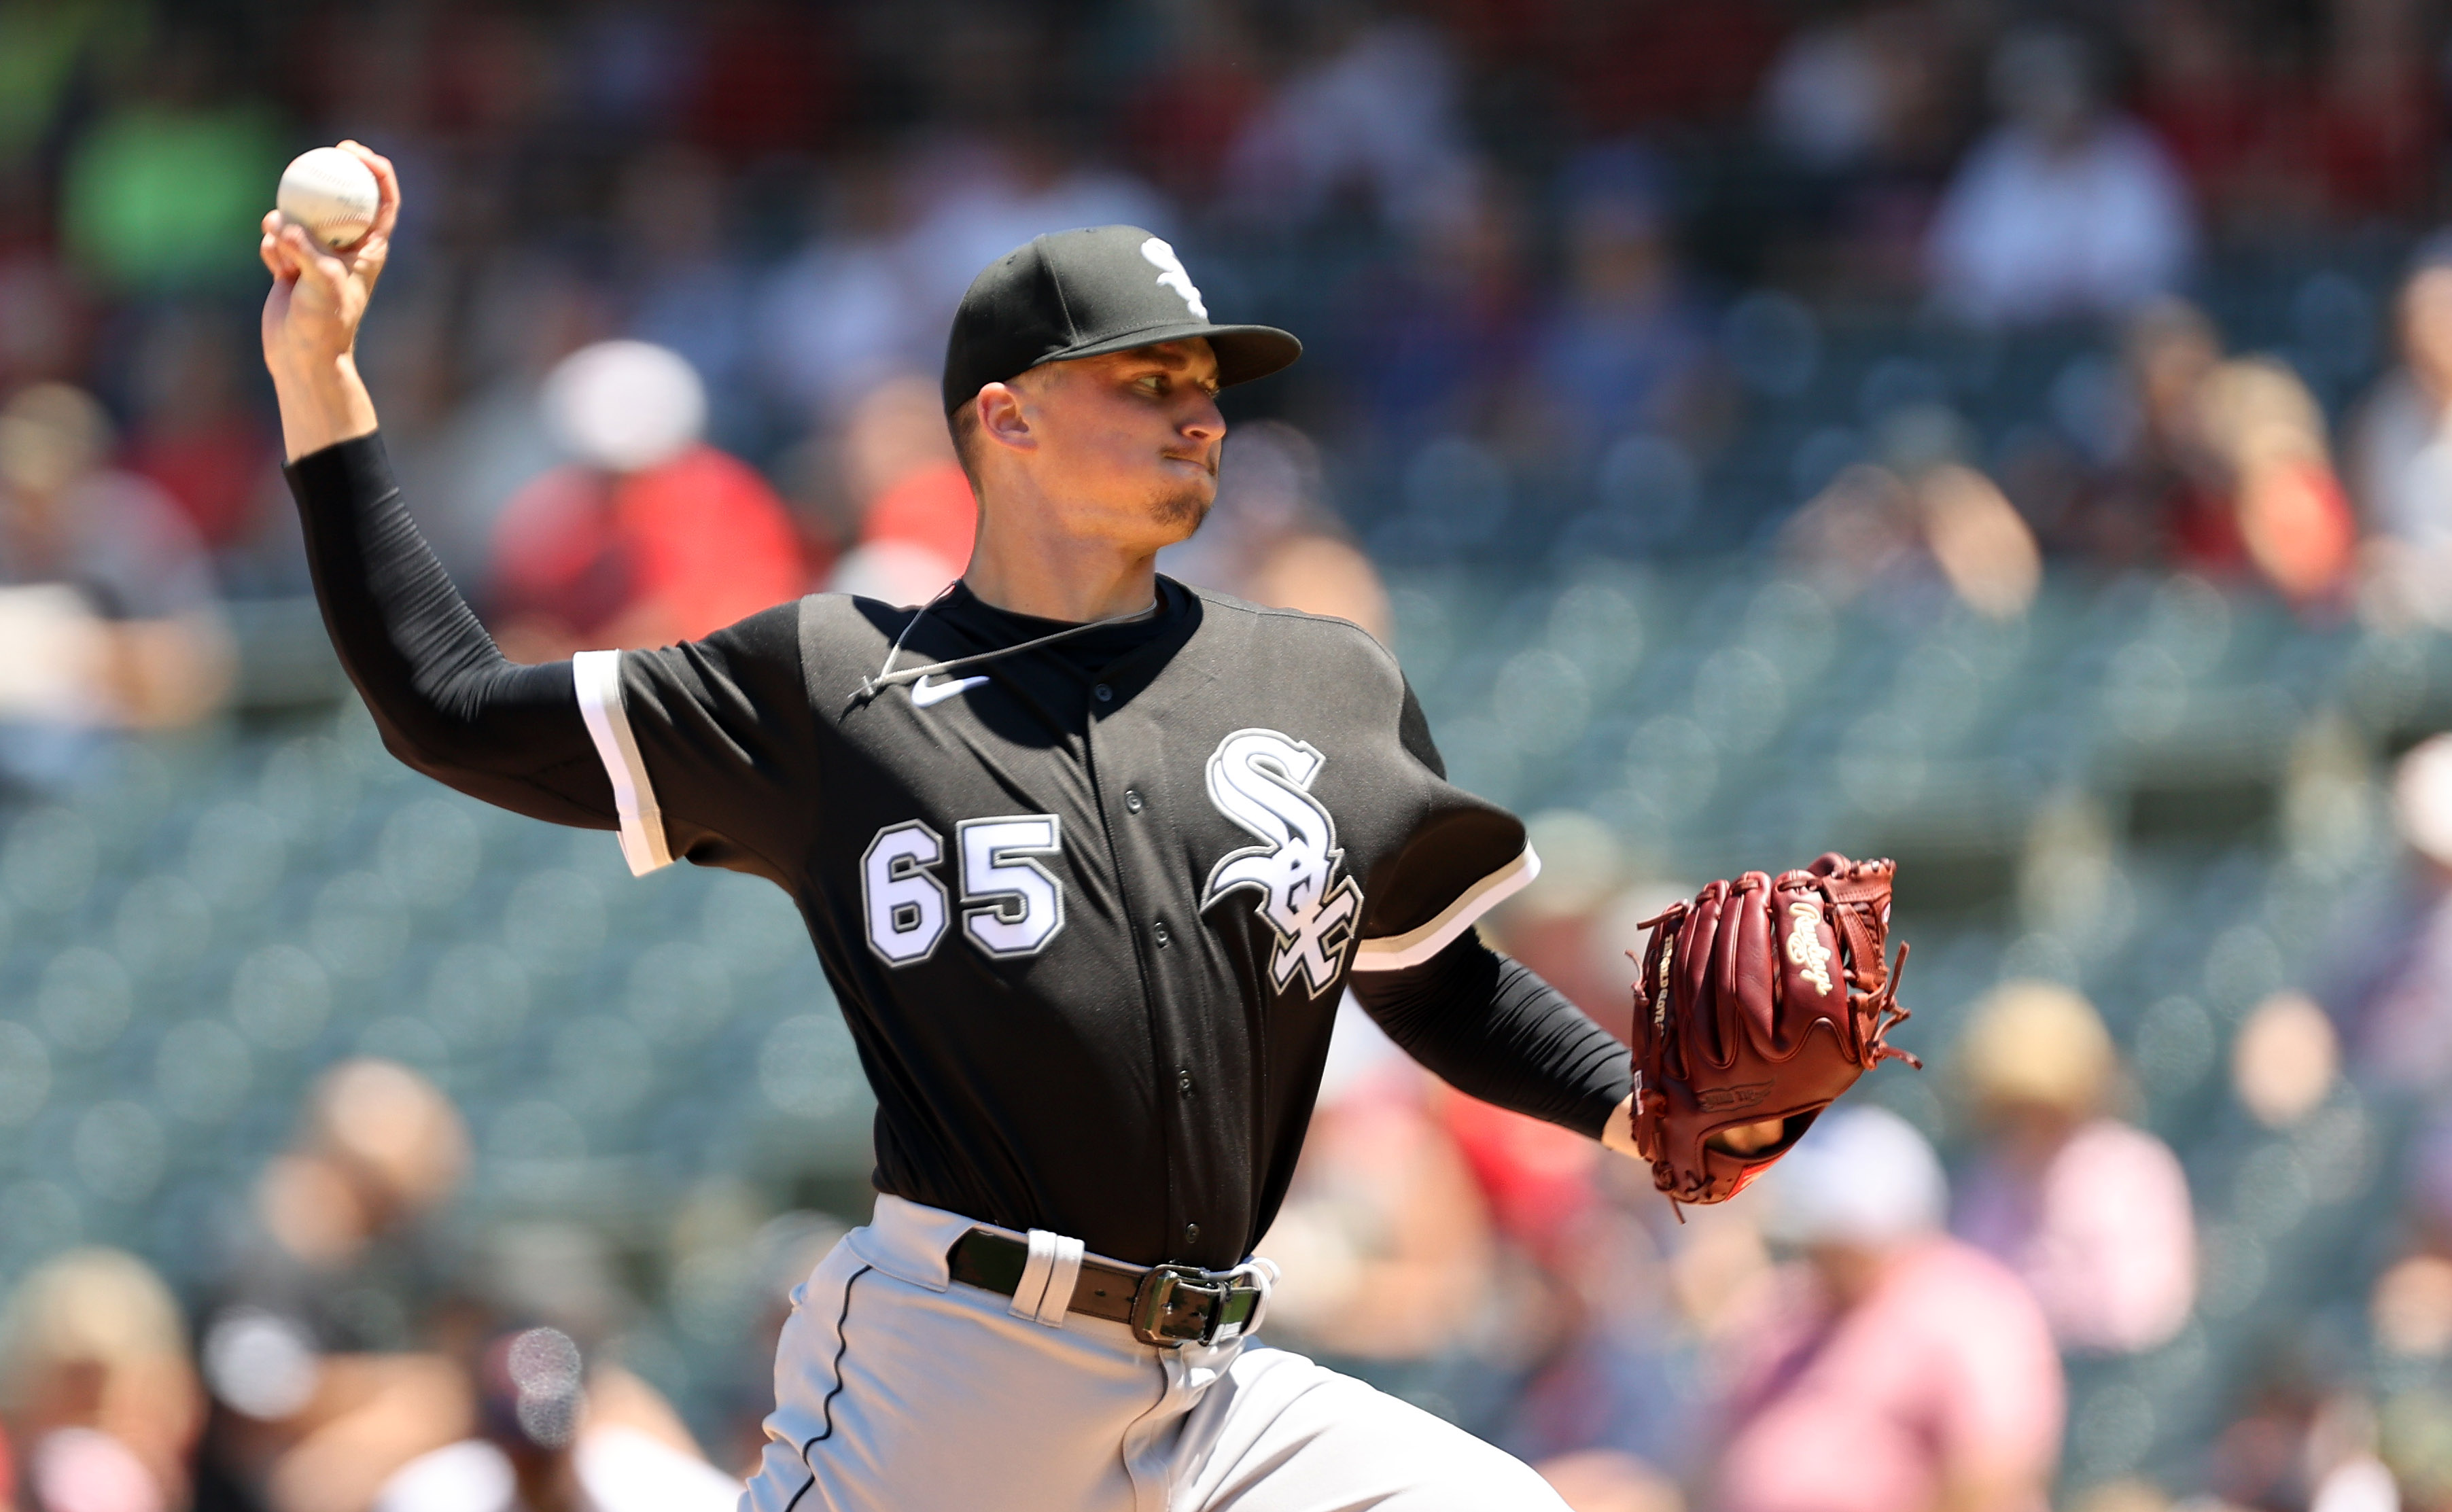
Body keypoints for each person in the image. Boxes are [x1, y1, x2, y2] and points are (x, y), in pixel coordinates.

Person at [262, 141, 1665, 1511]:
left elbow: (1426, 970)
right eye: (1149, 378)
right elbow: (446, 702)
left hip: (1214, 1379)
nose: (1203, 414)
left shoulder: (1319, 681)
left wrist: (1641, 1108)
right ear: (1007, 419)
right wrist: (319, 378)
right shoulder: (829, 683)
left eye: (1209, 386)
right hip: (961, 1364)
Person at [1710, 1107, 2065, 1512]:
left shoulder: (1969, 1308)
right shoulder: (1789, 1309)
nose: (1821, 1252)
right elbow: (1716, 1438)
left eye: (1840, 1238)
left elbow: (1994, 1465)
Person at [1950, 980, 2196, 1354]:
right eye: (2013, 1108)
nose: (2027, 1123)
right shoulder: (1988, 1181)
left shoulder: (2130, 1172)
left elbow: (2147, 1311)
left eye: (2041, 1106)